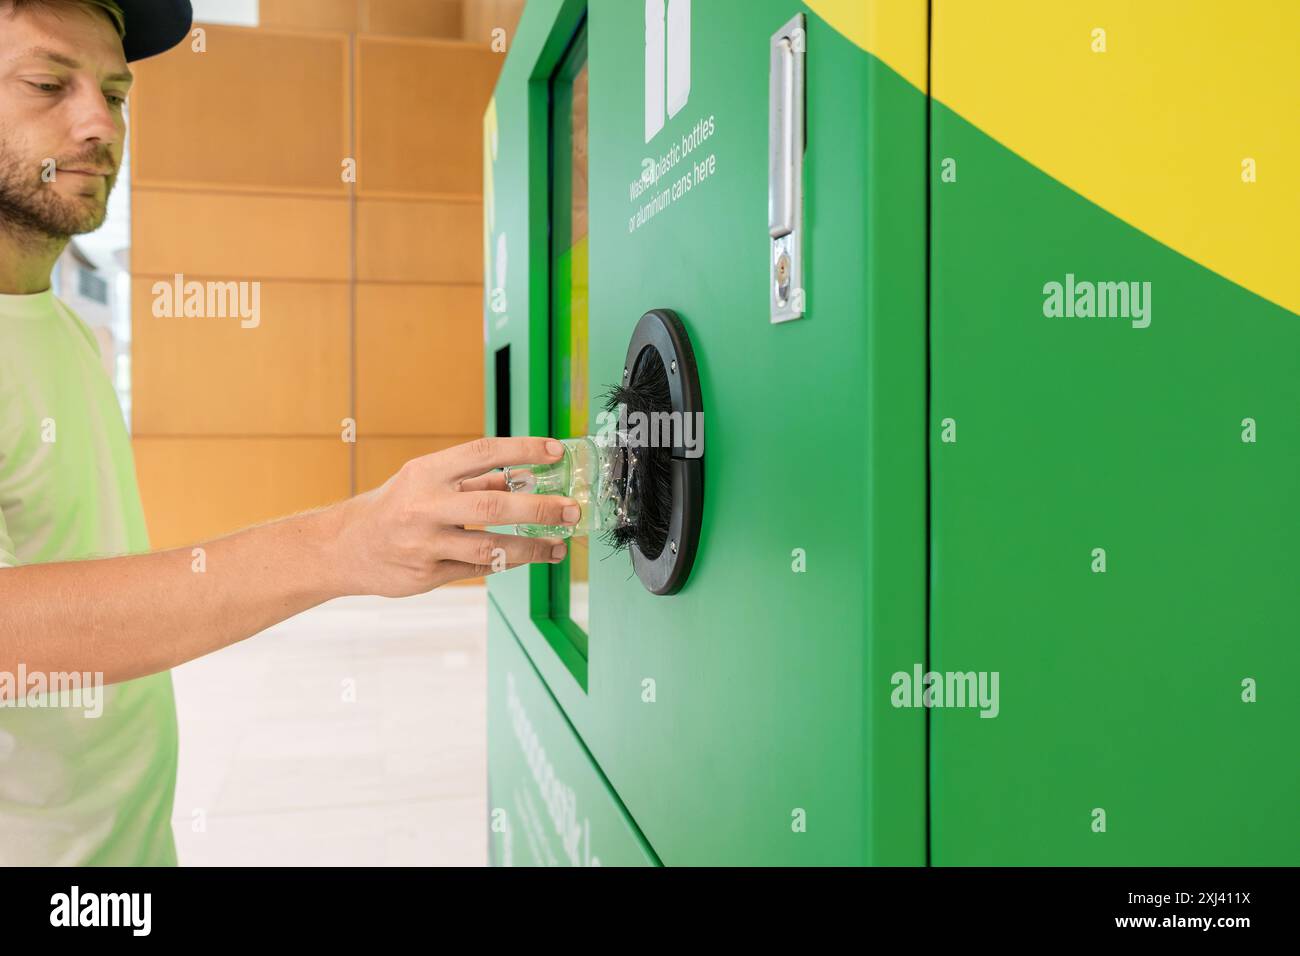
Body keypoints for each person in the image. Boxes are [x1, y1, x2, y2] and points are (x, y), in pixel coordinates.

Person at [0, 0, 574, 865]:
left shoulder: (64, 325)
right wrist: (345, 544)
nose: (97, 124)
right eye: (48, 84)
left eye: (115, 94)